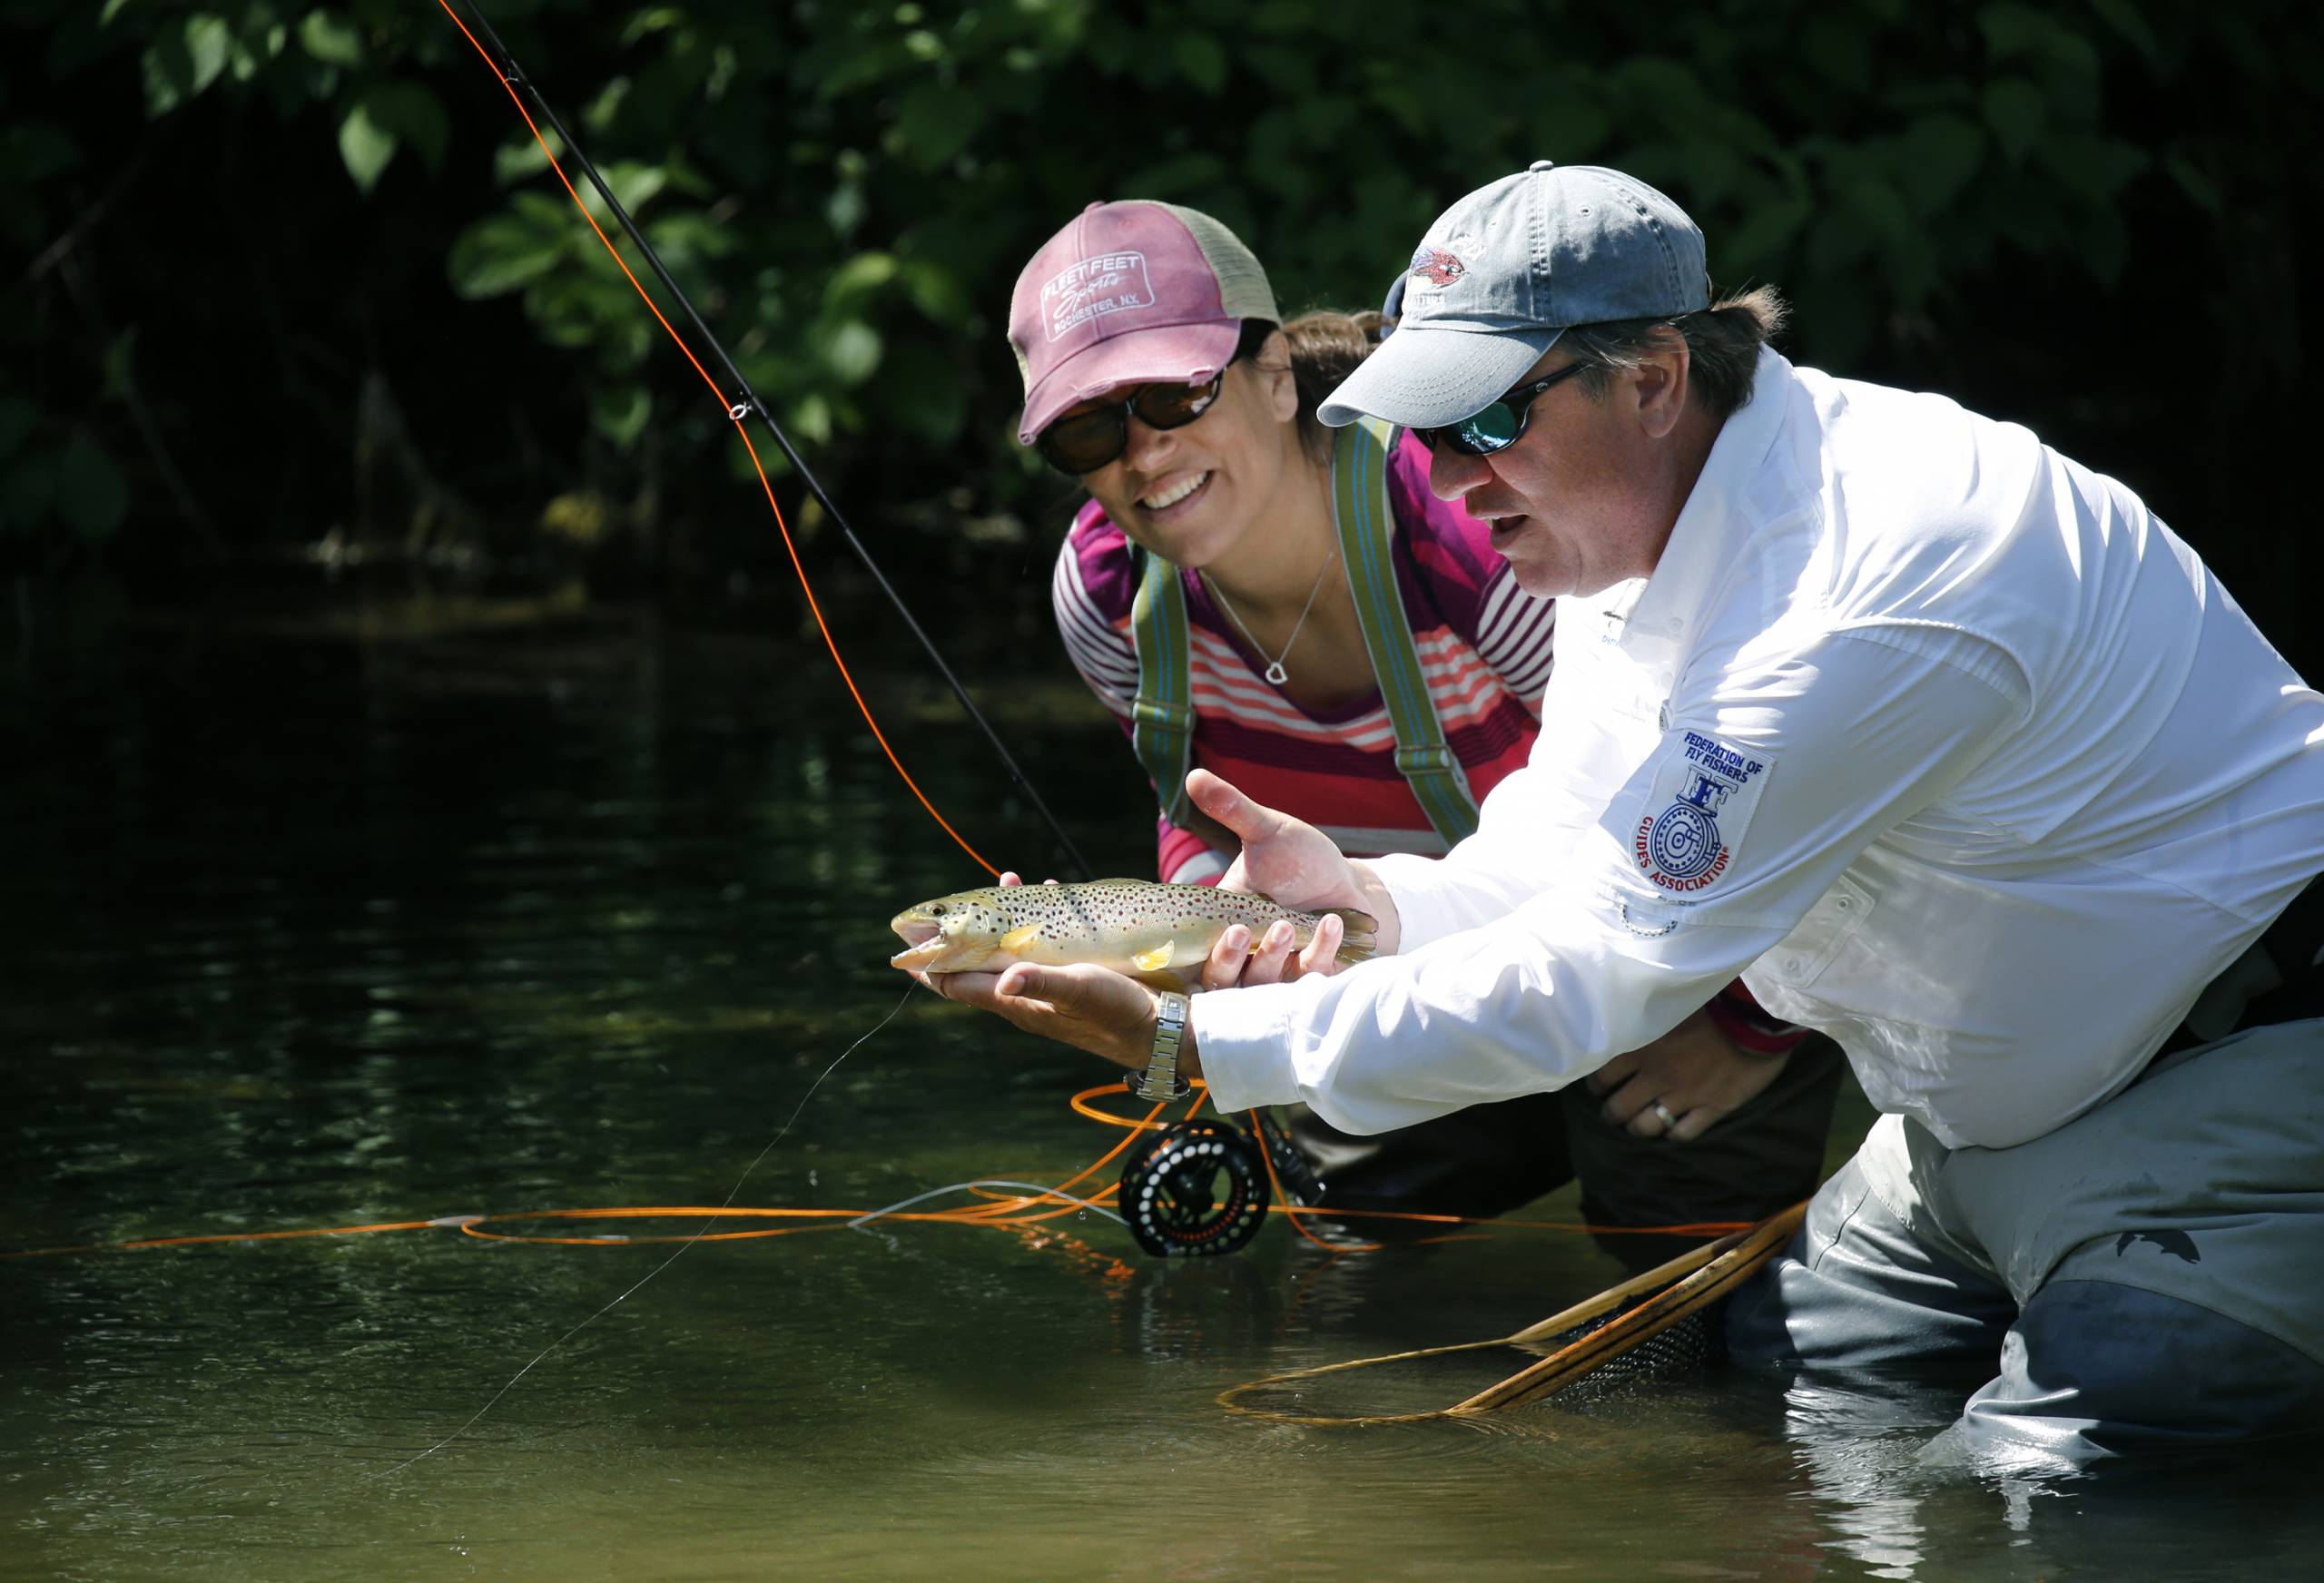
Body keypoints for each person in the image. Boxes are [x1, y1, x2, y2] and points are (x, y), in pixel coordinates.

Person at [931, 162, 2324, 1467]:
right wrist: (1381, 904)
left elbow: (1598, 974)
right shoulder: (1637, 538)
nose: (1456, 481)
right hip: (1967, 1140)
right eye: (1428, 429)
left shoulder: (1852, 597)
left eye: (1489, 421)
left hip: (2232, 1089)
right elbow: (1563, 835)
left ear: (1655, 379)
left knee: (2051, 1491)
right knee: (1757, 1412)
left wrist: (1192, 1037)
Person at [1006, 198, 1841, 1245]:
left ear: (1272, 378)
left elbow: (1734, 787)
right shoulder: (1105, 597)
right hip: (1418, 956)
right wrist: (1180, 967)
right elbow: (1202, 826)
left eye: (1175, 395)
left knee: (1669, 1292)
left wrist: (1745, 1028)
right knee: (1348, 1243)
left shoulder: (1483, 530)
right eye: (1088, 426)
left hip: (1666, 958)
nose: (1141, 452)